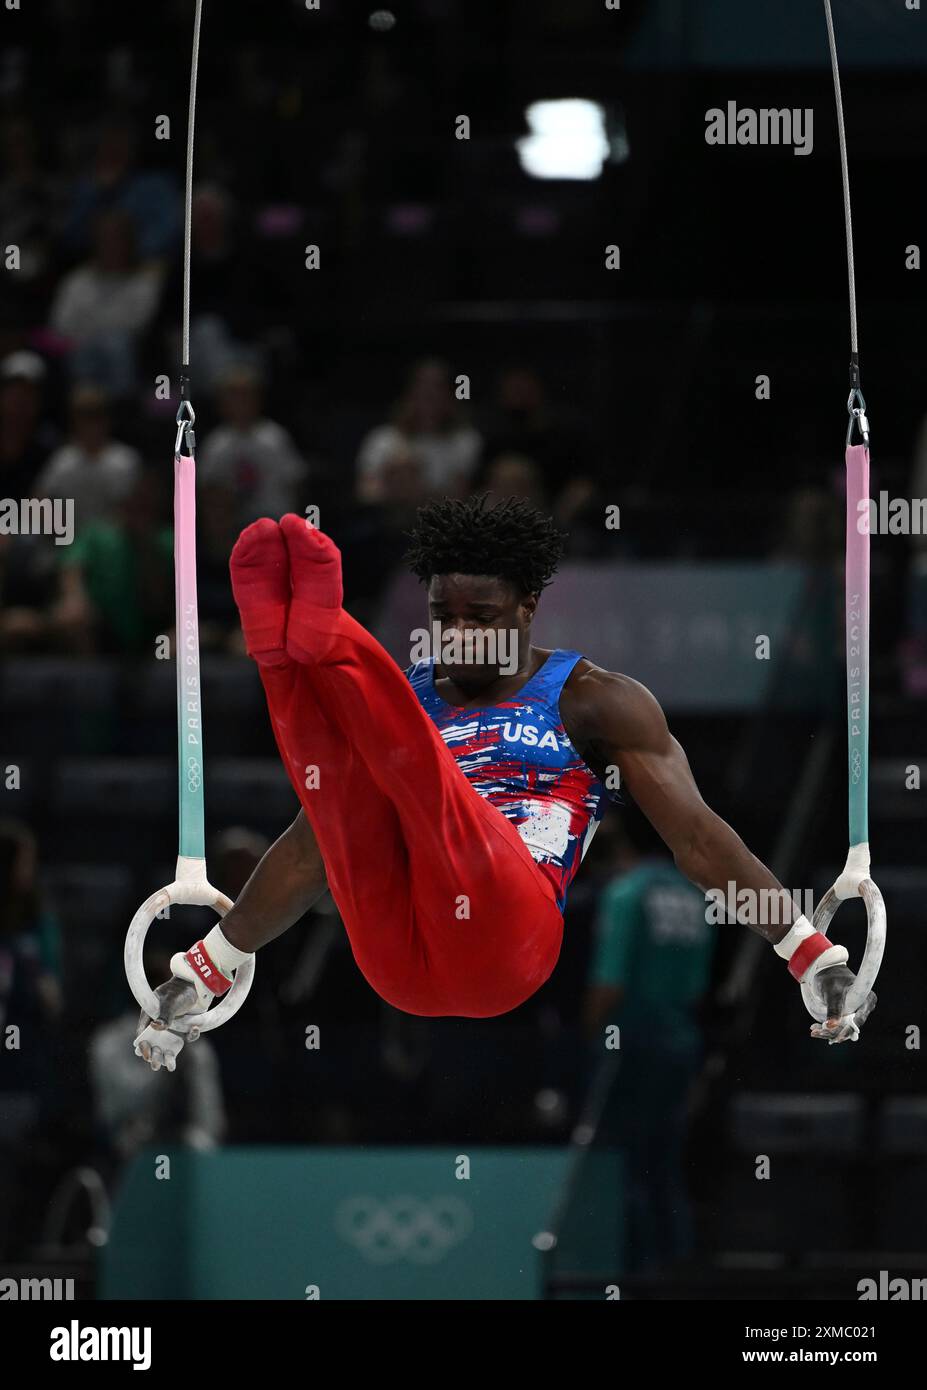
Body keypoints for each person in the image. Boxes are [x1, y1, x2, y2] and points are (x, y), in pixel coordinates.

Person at [133, 494, 876, 1070]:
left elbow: (697, 839)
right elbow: (311, 851)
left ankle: (323, 641)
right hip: (397, 957)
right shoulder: (411, 697)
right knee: (344, 794)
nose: (458, 635)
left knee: (420, 776)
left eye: (481, 616)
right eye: (441, 615)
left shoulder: (593, 699)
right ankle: (285, 657)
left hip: (504, 935)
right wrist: (206, 970)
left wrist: (808, 954)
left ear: (527, 607)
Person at [583, 806, 714, 1277]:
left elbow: (608, 986)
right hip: (680, 1041)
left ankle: (628, 1274)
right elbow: (698, 989)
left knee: (620, 1161)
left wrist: (587, 1038)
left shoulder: (626, 893)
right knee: (664, 1162)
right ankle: (674, 1274)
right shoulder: (694, 895)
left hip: (630, 1043)